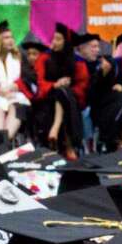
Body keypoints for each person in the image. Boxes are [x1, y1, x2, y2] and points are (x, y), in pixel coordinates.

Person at [29, 22, 88, 157]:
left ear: (66, 41)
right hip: (47, 99)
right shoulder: (44, 58)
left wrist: (68, 85)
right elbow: (39, 82)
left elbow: (82, 85)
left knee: (64, 93)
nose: (54, 42)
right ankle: (68, 146)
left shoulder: (76, 61)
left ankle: (56, 132)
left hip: (70, 100)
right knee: (60, 92)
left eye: (58, 39)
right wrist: (54, 85)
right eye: (53, 39)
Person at [0, 22, 27, 141]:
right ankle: (2, 145)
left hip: (16, 96)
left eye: (12, 37)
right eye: (6, 38)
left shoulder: (19, 57)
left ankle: (3, 143)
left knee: (15, 107)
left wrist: (15, 86)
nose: (11, 40)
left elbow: (29, 78)